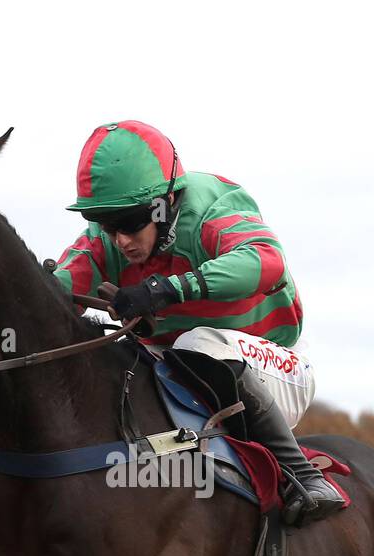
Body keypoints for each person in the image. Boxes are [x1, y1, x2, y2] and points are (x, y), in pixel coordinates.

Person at [50, 120, 345, 527]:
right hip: (177, 364)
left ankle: (305, 476)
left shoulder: (212, 208)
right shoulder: (109, 238)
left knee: (199, 343)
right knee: (112, 355)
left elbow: (266, 261)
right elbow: (50, 293)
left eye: (132, 222)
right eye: (107, 224)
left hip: (275, 365)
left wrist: (166, 290)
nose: (120, 240)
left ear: (167, 201)